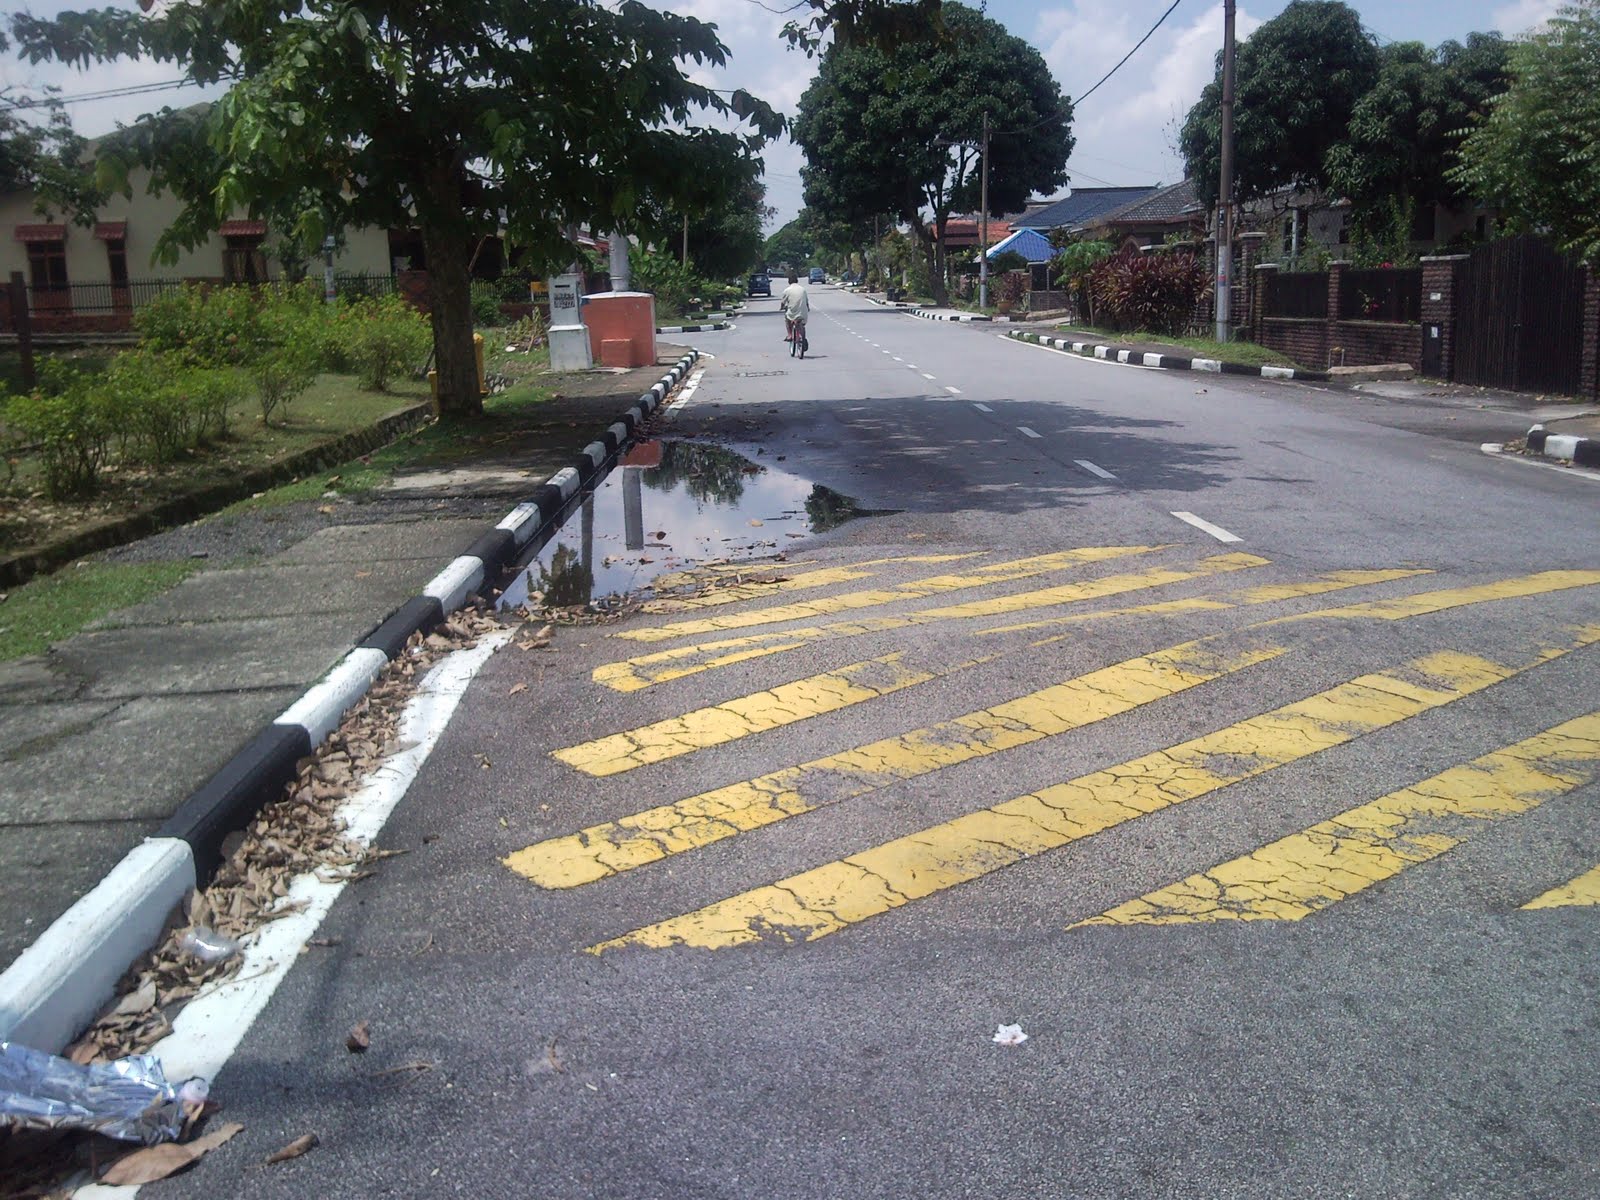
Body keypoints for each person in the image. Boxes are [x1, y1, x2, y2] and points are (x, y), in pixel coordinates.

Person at [780, 271, 810, 357]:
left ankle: (789, 335)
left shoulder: (787, 290)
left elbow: (783, 302)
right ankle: (802, 335)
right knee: (802, 323)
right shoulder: (803, 289)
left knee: (787, 318)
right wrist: (807, 308)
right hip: (803, 312)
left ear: (789, 281)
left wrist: (782, 307)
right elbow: (807, 302)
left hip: (792, 313)